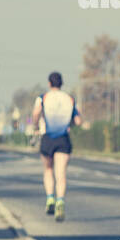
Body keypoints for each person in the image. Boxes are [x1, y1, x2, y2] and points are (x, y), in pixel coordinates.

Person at [32, 72, 82, 221]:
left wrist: (35, 126)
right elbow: (78, 120)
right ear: (62, 83)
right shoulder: (70, 99)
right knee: (61, 173)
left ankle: (50, 198)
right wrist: (69, 124)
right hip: (63, 139)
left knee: (48, 170)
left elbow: (36, 114)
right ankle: (60, 201)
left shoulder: (43, 98)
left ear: (49, 83)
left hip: (47, 138)